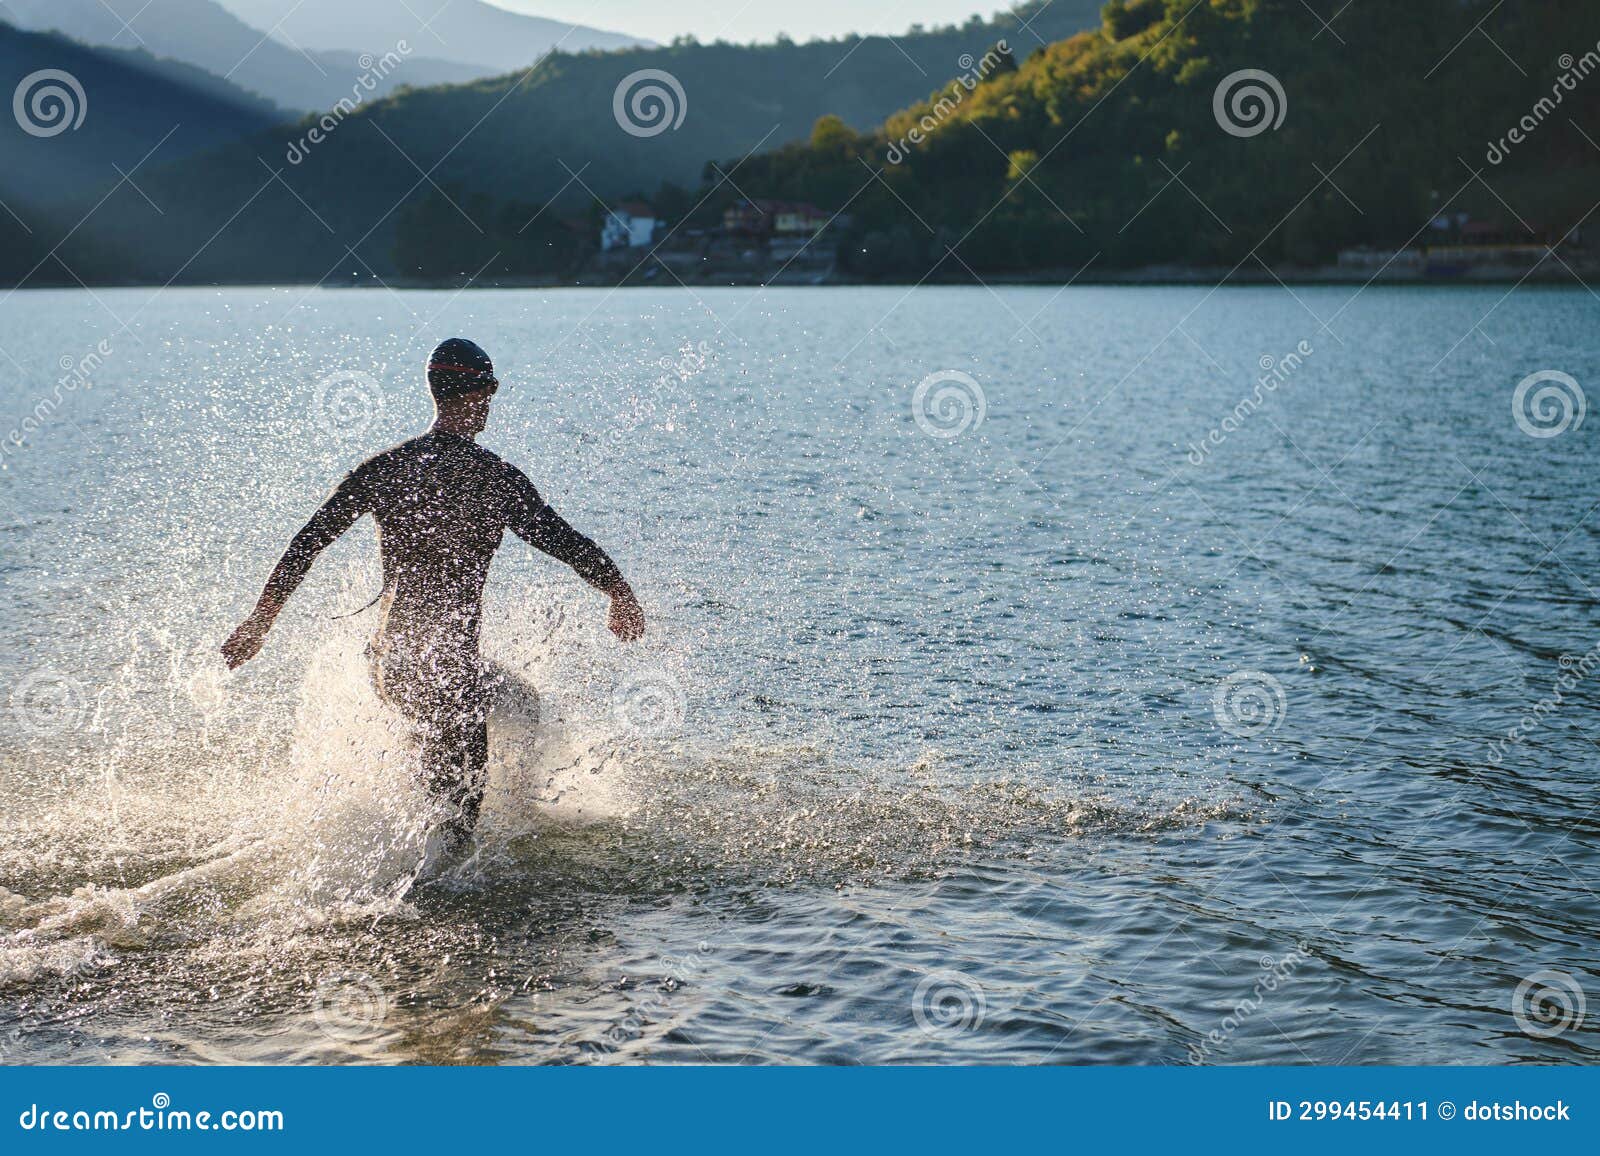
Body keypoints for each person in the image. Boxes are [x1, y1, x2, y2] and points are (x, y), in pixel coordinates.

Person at [222, 338, 644, 855]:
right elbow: (564, 541)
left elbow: (305, 544)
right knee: (455, 824)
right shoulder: (495, 478)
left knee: (521, 703)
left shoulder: (385, 468)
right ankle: (432, 882)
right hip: (448, 672)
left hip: (391, 663)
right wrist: (617, 590)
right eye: (490, 392)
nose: (490, 403)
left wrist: (259, 623)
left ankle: (494, 825)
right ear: (478, 393)